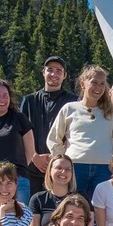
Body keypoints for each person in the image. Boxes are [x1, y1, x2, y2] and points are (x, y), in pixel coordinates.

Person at [46, 64, 113, 200]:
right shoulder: (69, 108)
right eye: (94, 82)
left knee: (101, 207)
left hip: (104, 169)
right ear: (83, 84)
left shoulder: (110, 112)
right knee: (75, 205)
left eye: (102, 84)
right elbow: (54, 138)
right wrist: (62, 161)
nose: (98, 87)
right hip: (76, 167)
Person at [20, 55, 78, 197]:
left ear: (64, 76)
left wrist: (57, 157)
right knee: (32, 211)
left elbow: (75, 132)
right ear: (43, 72)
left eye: (59, 71)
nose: (54, 74)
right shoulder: (29, 101)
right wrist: (34, 156)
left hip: (61, 168)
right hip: (33, 167)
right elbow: (21, 131)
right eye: (50, 70)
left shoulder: (73, 101)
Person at [28, 154, 81, 226]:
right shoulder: (38, 199)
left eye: (68, 169)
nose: (63, 172)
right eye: (59, 168)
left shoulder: (81, 198)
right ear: (49, 171)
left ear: (72, 174)